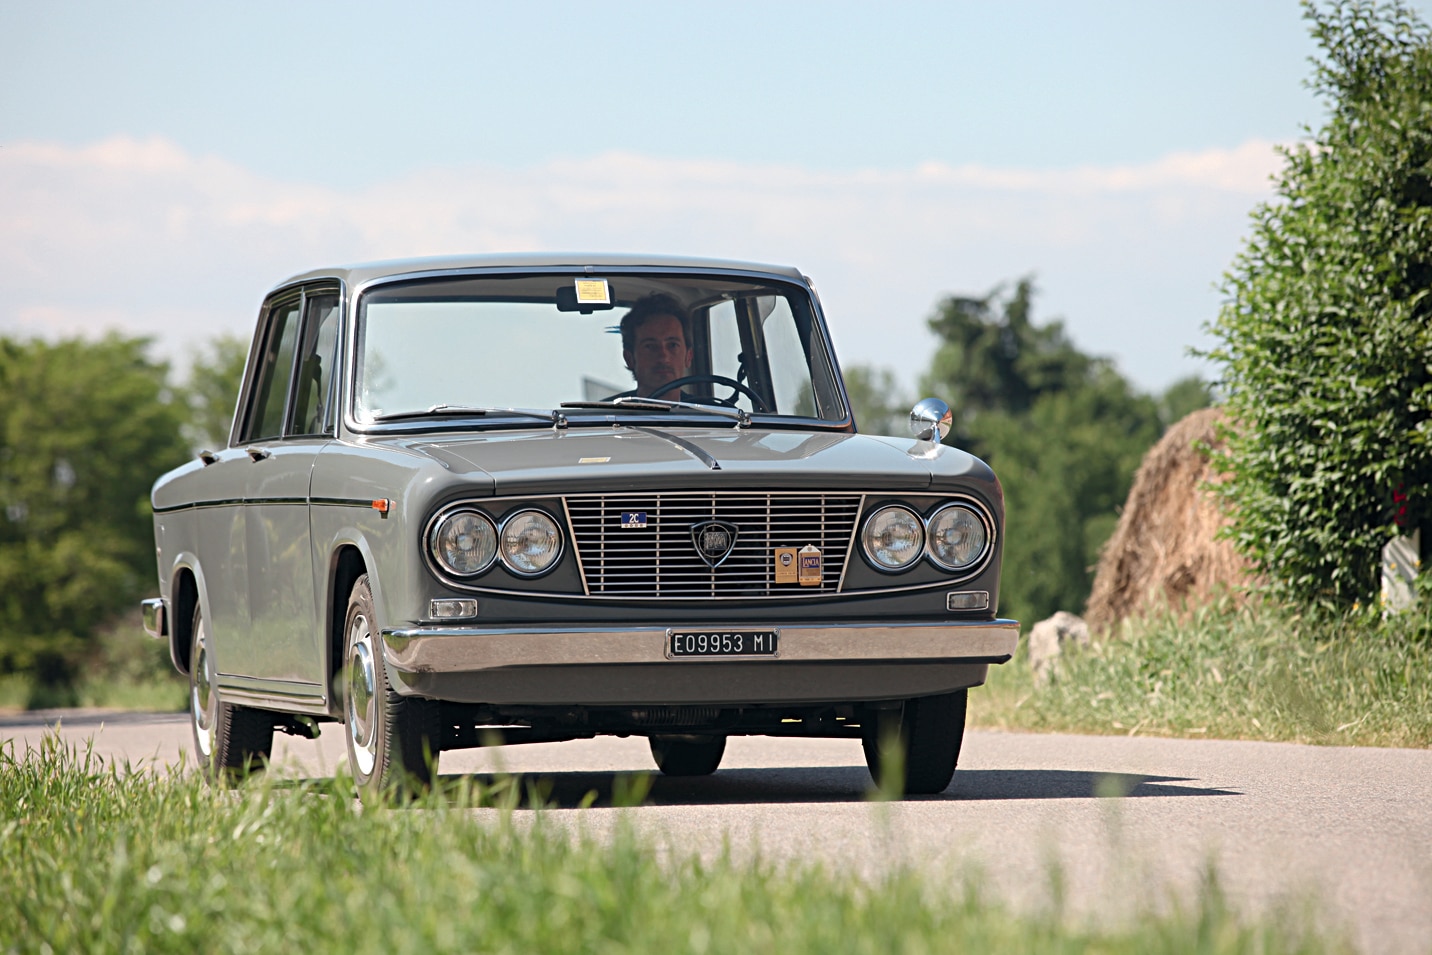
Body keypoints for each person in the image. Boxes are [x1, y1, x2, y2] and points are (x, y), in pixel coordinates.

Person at [619, 293, 693, 400]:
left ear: (688, 356)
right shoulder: (604, 414)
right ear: (629, 358)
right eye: (650, 346)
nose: (664, 357)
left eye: (672, 345)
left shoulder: (713, 414)